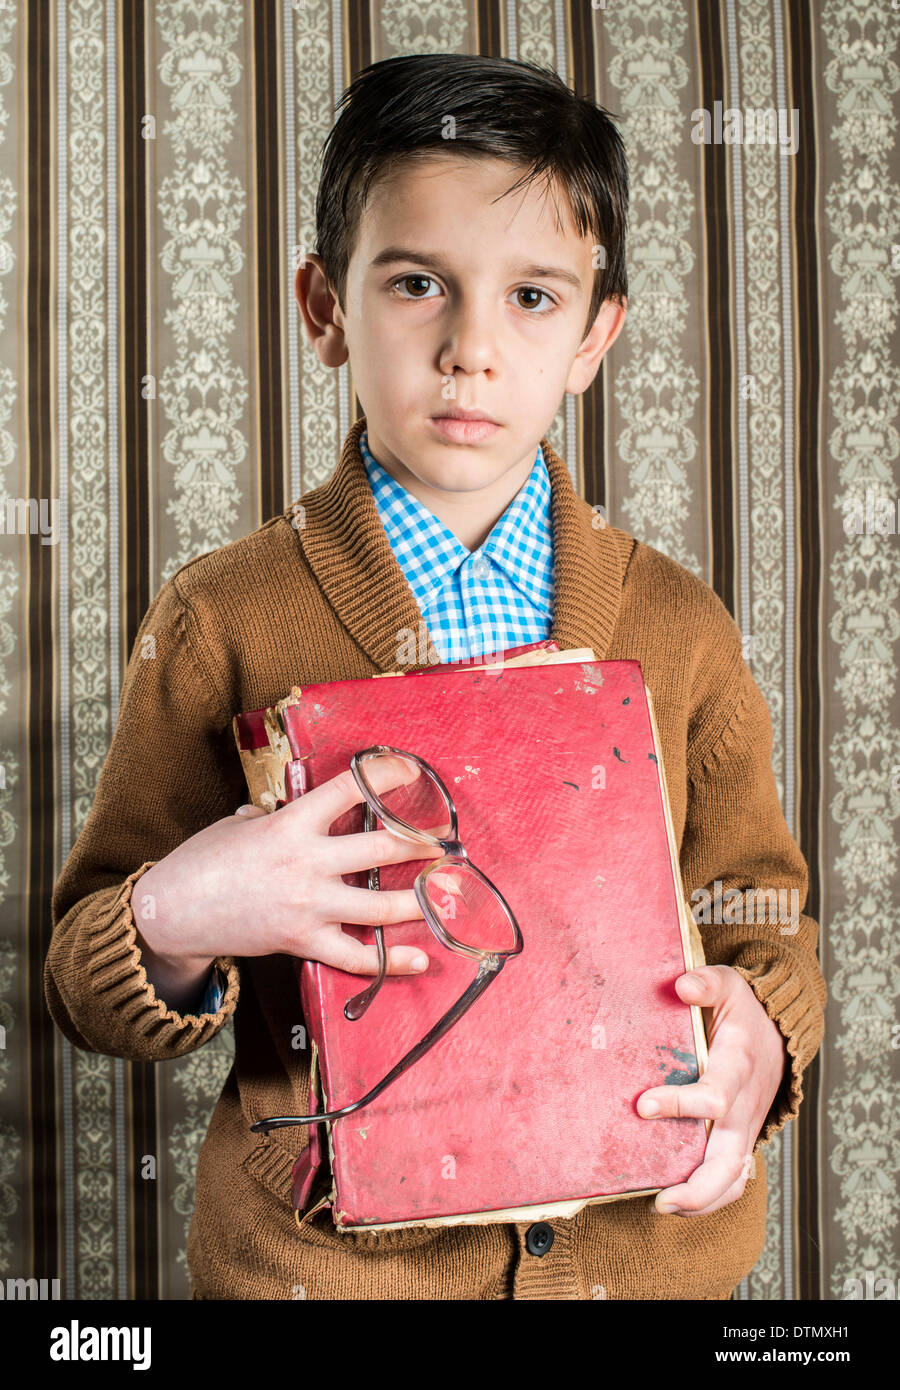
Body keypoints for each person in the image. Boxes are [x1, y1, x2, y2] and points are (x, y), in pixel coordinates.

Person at [45, 52, 825, 1300]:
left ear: (594, 336)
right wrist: (179, 912)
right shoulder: (219, 618)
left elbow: (761, 914)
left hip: (644, 1269)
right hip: (320, 1276)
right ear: (326, 306)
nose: (471, 347)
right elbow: (84, 972)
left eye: (531, 296)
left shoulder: (679, 628)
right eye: (418, 284)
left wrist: (762, 1041)